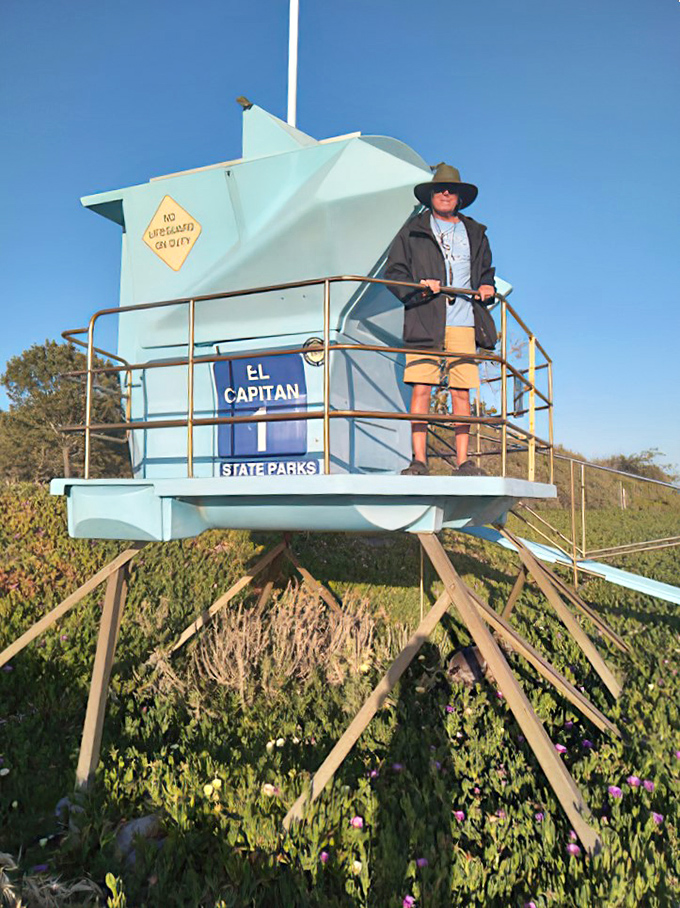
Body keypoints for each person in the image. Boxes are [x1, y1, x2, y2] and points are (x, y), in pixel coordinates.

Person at [385, 163, 496, 476]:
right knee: (422, 388)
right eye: (439, 189)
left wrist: (487, 285)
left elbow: (486, 270)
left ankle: (464, 462)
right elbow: (394, 273)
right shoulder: (412, 230)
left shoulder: (477, 232)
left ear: (459, 197)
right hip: (424, 317)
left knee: (462, 392)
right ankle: (419, 460)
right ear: (431, 196)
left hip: (464, 320)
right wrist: (418, 288)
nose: (445, 193)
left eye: (451, 190)